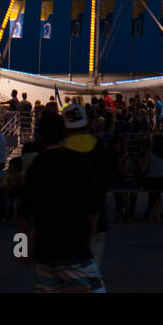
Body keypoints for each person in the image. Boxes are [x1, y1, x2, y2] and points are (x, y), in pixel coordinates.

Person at [18, 110, 105, 293]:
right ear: (65, 133)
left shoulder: (36, 165)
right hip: (74, 247)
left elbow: (24, 215)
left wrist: (22, 250)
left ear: (40, 136)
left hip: (44, 250)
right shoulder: (79, 162)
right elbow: (93, 207)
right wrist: (89, 236)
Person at [61, 103, 111, 266]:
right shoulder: (99, 149)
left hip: (67, 223)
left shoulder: (60, 151)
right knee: (92, 272)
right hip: (96, 219)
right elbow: (105, 183)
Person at [142, 133, 163, 222]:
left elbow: (143, 169)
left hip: (152, 180)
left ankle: (154, 213)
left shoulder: (149, 153)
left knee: (154, 191)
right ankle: (153, 212)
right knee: (156, 192)